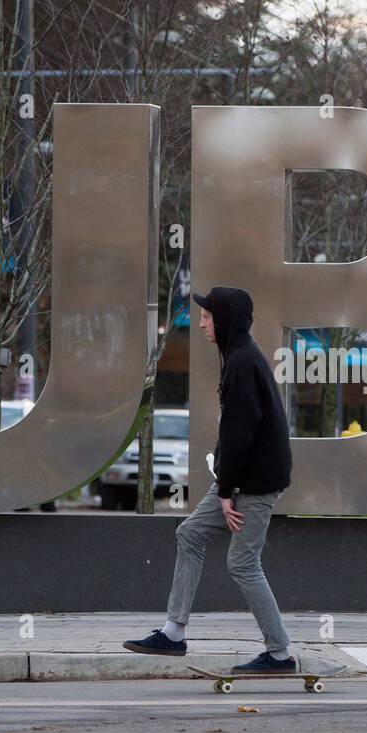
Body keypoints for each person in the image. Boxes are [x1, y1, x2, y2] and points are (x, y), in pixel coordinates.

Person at [124, 286, 297, 673]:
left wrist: (226, 492)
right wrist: (226, 485)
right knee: (190, 534)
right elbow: (236, 433)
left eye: (206, 316)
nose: (200, 322)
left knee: (243, 563)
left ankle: (281, 654)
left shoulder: (241, 362)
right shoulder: (238, 357)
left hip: (255, 483)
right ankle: (173, 633)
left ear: (224, 319)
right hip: (240, 479)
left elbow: (241, 434)